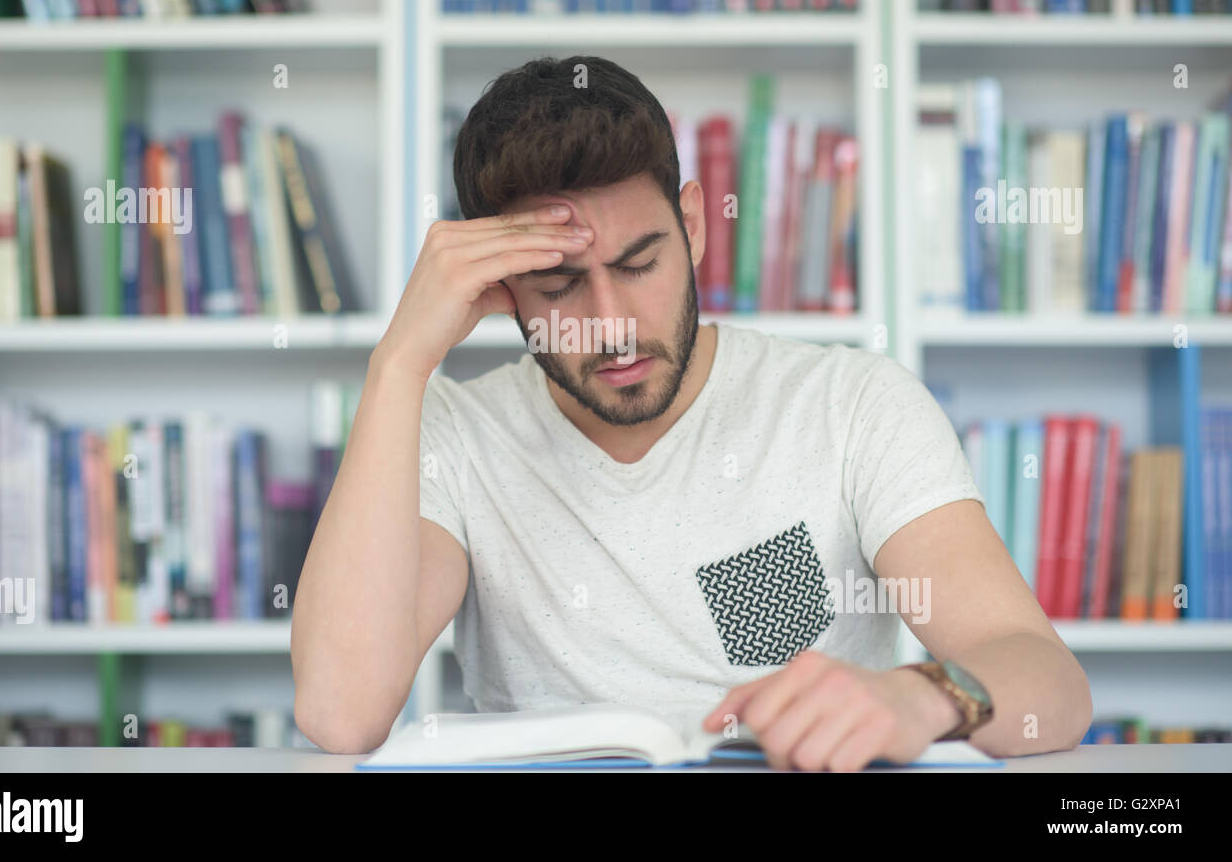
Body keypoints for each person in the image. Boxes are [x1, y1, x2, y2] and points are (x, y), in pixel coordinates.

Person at [291, 55, 1091, 770]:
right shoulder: (456, 436)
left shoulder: (855, 407)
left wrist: (923, 697)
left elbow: (1045, 680)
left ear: (696, 225)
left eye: (639, 263)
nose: (612, 323)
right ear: (498, 288)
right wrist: (398, 364)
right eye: (560, 285)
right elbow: (341, 713)